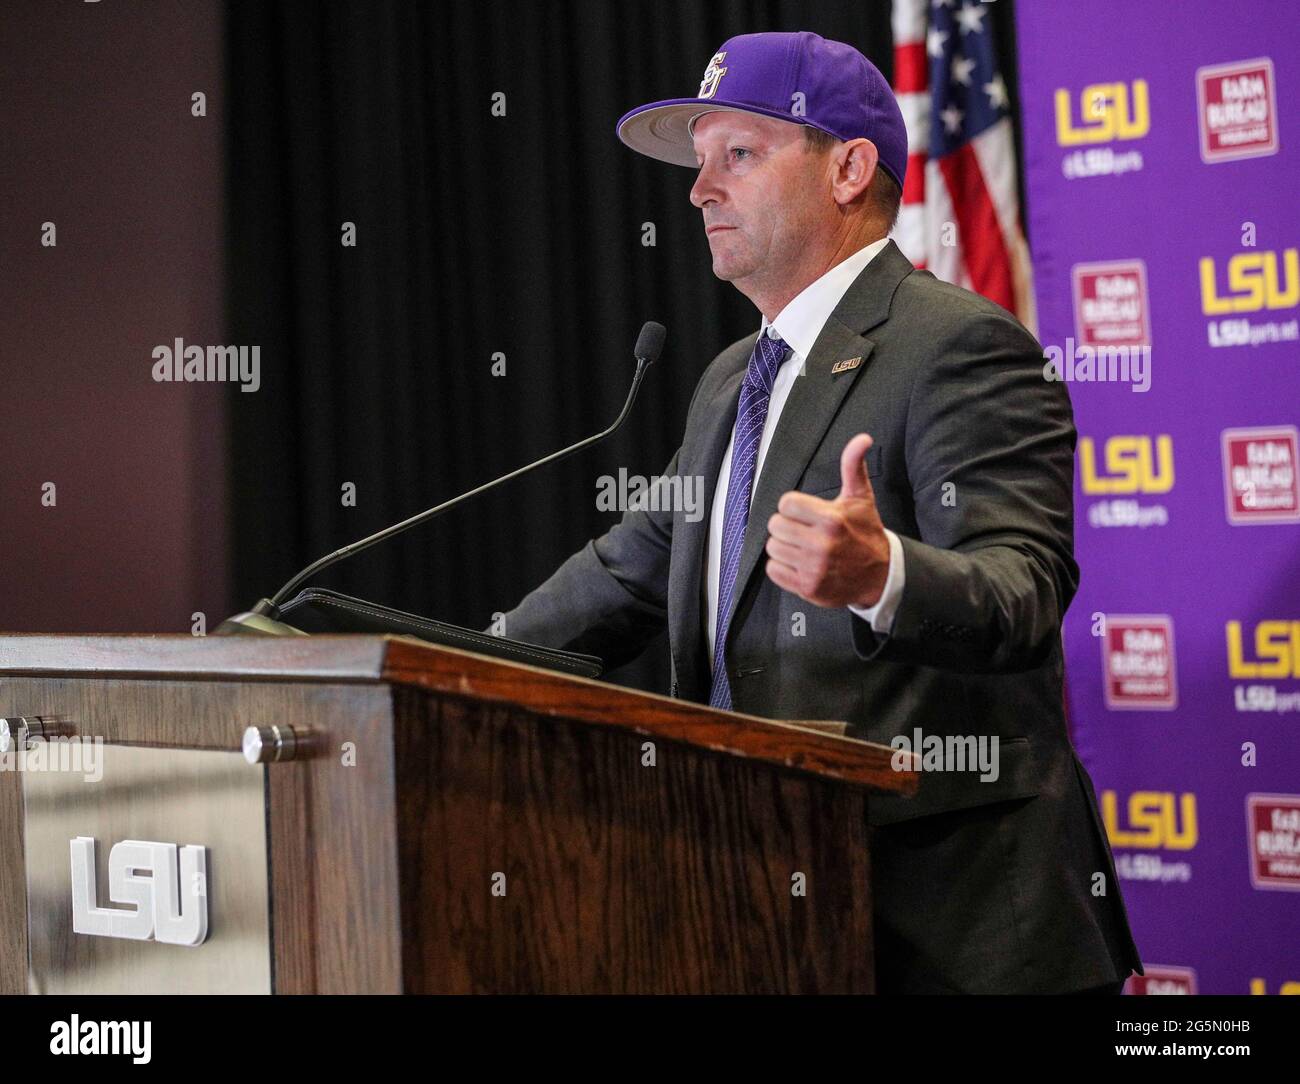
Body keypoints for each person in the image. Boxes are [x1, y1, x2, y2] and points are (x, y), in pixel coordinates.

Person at [497, 30, 1142, 994]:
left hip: (950, 932)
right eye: (700, 161)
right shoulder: (729, 383)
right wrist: (444, 655)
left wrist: (882, 577)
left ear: (848, 168)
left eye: (739, 156)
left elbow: (1024, 590)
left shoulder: (960, 346)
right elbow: (629, 567)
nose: (699, 189)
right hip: (765, 909)